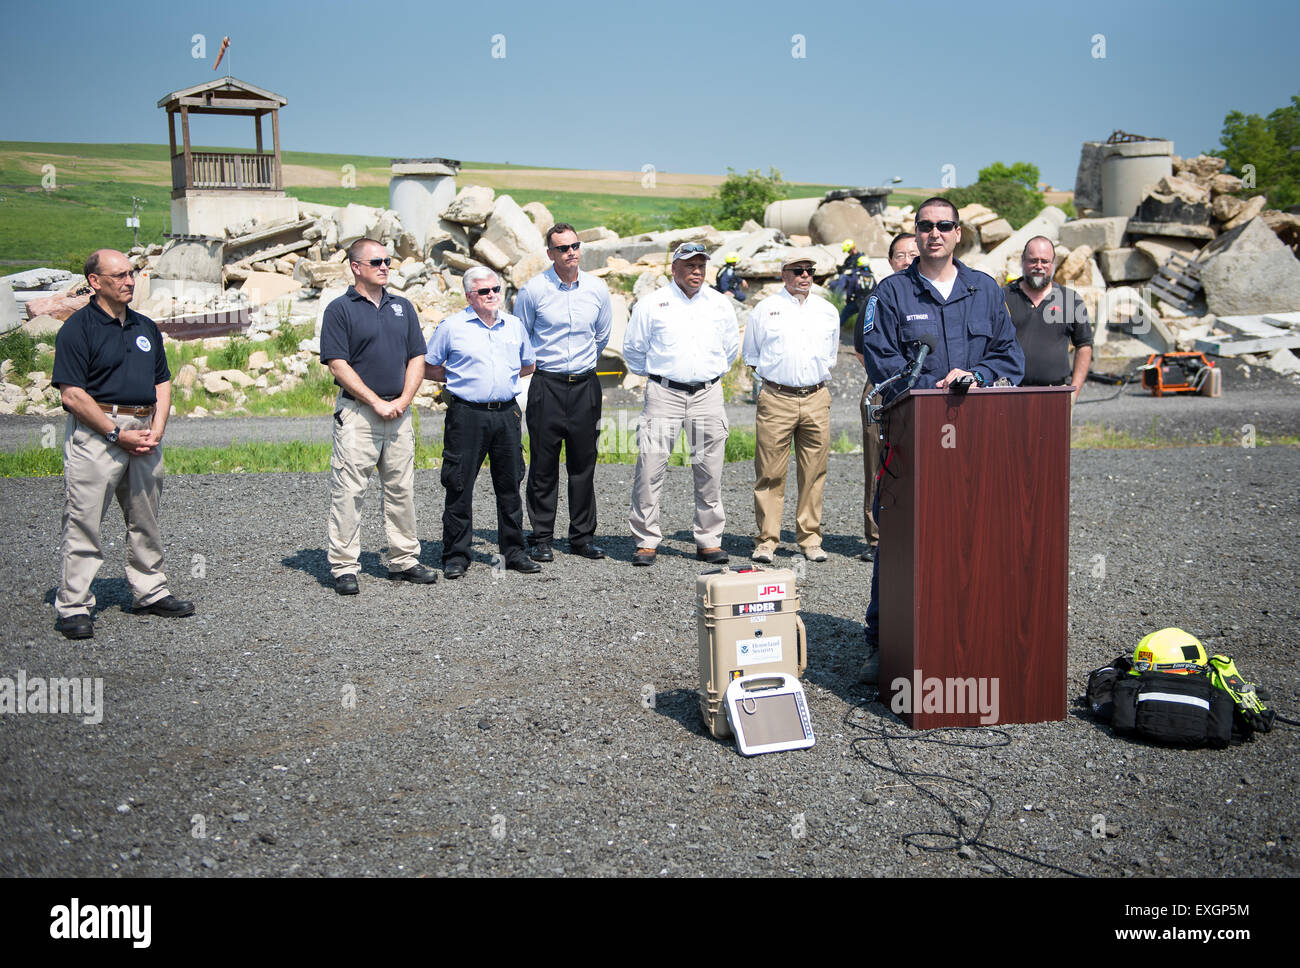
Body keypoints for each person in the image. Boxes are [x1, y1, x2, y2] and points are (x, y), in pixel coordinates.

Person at [858, 198, 1025, 682]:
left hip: (977, 441)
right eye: (926, 226)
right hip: (914, 436)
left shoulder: (986, 291)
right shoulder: (890, 293)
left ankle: (966, 633)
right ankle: (884, 642)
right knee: (901, 540)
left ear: (958, 234)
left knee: (973, 537)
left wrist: (977, 374)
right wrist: (926, 393)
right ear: (916, 232)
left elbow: (1009, 357)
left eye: (944, 226)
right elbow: (879, 358)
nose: (935, 233)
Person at [51, 249, 194, 639]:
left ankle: (150, 590)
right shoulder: (77, 329)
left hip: (145, 427)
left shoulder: (145, 327)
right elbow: (72, 395)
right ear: (95, 282)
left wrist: (158, 426)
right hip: (100, 430)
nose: (129, 281)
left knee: (145, 516)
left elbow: (162, 381)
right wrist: (115, 433)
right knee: (84, 519)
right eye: (118, 275)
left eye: (131, 273)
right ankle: (74, 605)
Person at [320, 238, 437, 595]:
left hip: (399, 413)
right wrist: (375, 401)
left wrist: (403, 398)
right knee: (350, 490)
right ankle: (343, 566)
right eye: (376, 262)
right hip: (358, 415)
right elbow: (337, 364)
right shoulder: (340, 310)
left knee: (402, 489)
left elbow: (417, 356)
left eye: (388, 261)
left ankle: (404, 558)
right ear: (356, 267)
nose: (385, 266)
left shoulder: (402, 306)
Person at [623, 242, 739, 566]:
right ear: (674, 269)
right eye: (689, 265)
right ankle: (646, 540)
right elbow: (633, 350)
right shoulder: (652, 304)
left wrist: (705, 375)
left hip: (707, 394)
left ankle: (709, 540)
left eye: (701, 265)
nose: (696, 271)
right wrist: (663, 378)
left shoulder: (720, 305)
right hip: (663, 394)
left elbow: (730, 350)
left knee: (709, 470)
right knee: (650, 467)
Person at [425, 267, 539, 579]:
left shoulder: (514, 325)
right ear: (468, 296)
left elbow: (528, 364)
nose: (491, 296)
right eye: (483, 292)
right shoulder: (452, 326)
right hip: (467, 415)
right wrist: (462, 377)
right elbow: (429, 366)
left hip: (506, 414)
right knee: (459, 484)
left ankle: (514, 552)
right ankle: (457, 555)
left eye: (495, 289)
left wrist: (499, 380)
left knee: (510, 484)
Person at [513, 222, 612, 563]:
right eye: (562, 248)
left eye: (575, 246)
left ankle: (582, 538)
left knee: (584, 465)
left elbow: (601, 336)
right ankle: (541, 537)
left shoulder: (597, 289)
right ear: (550, 253)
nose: (570, 253)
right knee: (544, 464)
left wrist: (581, 366)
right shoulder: (533, 291)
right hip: (547, 385)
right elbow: (521, 337)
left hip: (585, 385)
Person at [744, 252, 839, 563]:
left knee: (814, 472)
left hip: (816, 396)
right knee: (770, 472)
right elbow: (752, 356)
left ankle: (810, 539)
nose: (805, 276)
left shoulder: (827, 311)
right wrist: (778, 382)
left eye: (810, 271)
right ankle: (767, 541)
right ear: (783, 274)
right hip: (776, 398)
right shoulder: (765, 309)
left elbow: (831, 356)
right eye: (798, 271)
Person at [854, 233, 917, 556]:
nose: (906, 260)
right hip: (881, 387)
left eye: (912, 254)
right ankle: (877, 538)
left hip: (922, 389)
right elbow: (861, 349)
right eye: (900, 255)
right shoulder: (876, 299)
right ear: (891, 262)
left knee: (921, 461)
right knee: (878, 462)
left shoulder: (928, 299)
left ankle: (918, 532)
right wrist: (886, 376)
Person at [1004, 236, 1093, 409]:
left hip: (1056, 396)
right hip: (1009, 396)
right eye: (1033, 261)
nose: (1039, 266)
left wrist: (1074, 392)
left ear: (1053, 263)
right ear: (1022, 261)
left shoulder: (1070, 300)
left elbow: (1084, 345)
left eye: (1045, 261)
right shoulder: (1002, 298)